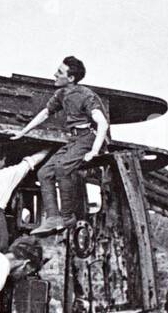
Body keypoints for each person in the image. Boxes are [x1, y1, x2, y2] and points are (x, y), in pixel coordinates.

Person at [9, 56, 109, 235]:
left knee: (63, 168)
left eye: (60, 72)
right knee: (44, 172)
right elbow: (45, 113)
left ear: (71, 78)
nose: (55, 74)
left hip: (88, 138)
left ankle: (67, 217)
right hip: (73, 140)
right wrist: (23, 132)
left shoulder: (86, 95)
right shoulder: (61, 94)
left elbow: (102, 123)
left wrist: (94, 150)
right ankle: (53, 218)